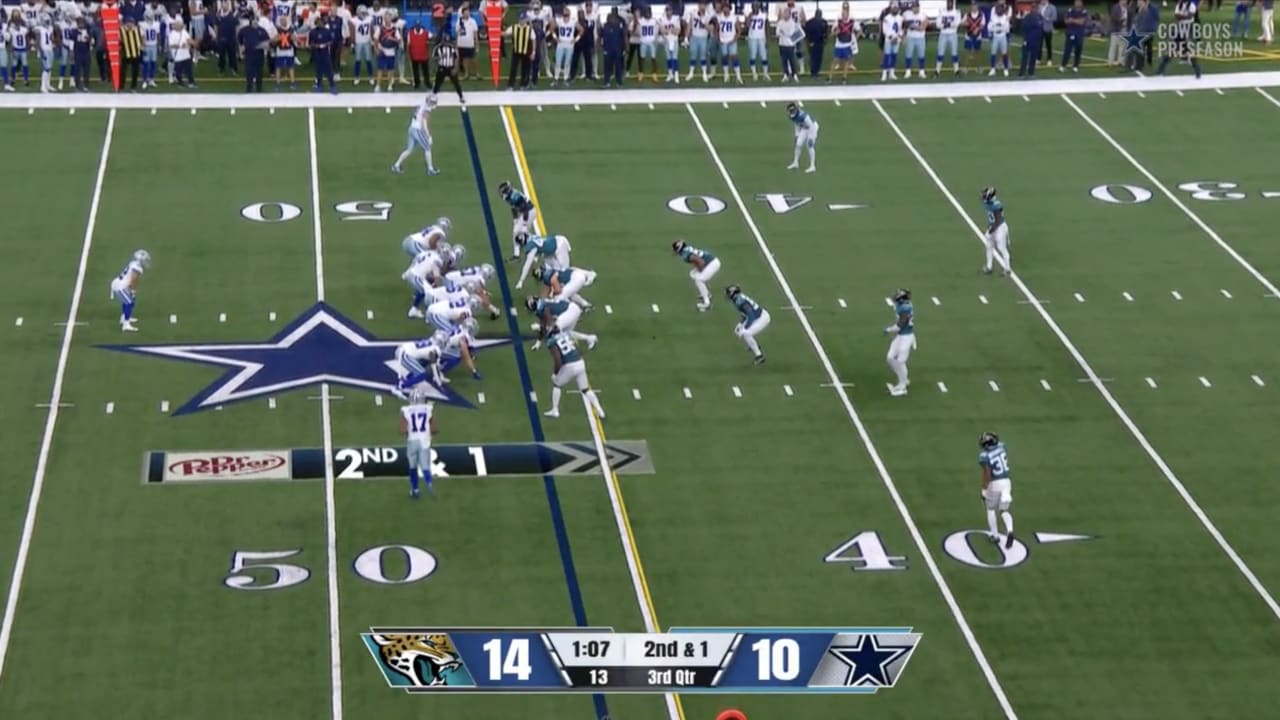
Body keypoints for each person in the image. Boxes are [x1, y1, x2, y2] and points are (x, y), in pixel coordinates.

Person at [883, 288, 913, 396]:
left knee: (900, 362)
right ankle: (904, 379)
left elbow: (899, 325)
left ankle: (903, 386)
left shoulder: (905, 308)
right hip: (901, 336)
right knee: (890, 358)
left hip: (906, 337)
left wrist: (888, 330)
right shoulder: (903, 306)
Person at [238, 10, 268, 92]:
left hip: (259, 55)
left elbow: (266, 43)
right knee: (249, 73)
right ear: (251, 20)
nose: (255, 21)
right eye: (253, 19)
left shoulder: (262, 30)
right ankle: (249, 88)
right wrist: (241, 47)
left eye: (256, 19)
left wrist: (257, 46)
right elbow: (239, 37)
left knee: (259, 73)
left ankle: (259, 89)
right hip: (249, 55)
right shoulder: (245, 30)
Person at [310, 7, 337, 93]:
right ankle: (319, 86)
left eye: (321, 22)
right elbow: (311, 43)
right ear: (316, 23)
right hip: (317, 53)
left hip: (325, 53)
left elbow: (331, 41)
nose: (320, 24)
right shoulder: (313, 32)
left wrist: (325, 45)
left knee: (329, 70)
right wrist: (317, 46)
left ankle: (332, 86)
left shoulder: (327, 31)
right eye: (318, 23)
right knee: (319, 70)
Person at [431, 35, 463, 101]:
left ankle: (461, 96)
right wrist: (441, 57)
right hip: (442, 67)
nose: (446, 43)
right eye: (445, 42)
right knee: (438, 82)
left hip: (451, 67)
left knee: (456, 83)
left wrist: (455, 68)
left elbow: (456, 58)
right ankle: (433, 95)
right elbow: (434, 57)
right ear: (442, 41)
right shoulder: (438, 48)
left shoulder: (452, 48)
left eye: (448, 42)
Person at [508, 14, 533, 89]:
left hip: (525, 51)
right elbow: (506, 33)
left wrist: (533, 51)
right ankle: (510, 85)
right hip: (516, 51)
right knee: (513, 68)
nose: (521, 21)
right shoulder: (513, 27)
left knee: (524, 69)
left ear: (525, 20)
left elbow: (533, 39)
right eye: (520, 19)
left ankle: (523, 85)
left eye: (523, 19)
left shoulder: (529, 29)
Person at [600, 7, 624, 86]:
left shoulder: (619, 26)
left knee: (618, 66)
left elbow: (624, 37)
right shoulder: (604, 26)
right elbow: (600, 37)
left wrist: (625, 48)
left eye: (611, 18)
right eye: (608, 18)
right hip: (608, 50)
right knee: (607, 67)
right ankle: (607, 82)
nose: (610, 19)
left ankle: (619, 82)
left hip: (617, 49)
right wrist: (601, 47)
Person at [1060, 0, 1086, 71]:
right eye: (1076, 2)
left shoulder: (1084, 11)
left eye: (1079, 2)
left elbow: (1081, 22)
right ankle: (1063, 65)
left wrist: (1072, 20)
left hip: (1079, 34)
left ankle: (1076, 65)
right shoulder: (1070, 10)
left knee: (1078, 50)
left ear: (1081, 3)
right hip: (1070, 33)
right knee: (1067, 50)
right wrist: (1074, 21)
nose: (1077, 3)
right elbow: (1066, 21)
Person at [120, 16, 143, 90]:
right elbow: (118, 39)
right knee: (122, 71)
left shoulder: (138, 29)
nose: (130, 24)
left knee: (135, 71)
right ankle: (121, 86)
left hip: (136, 53)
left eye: (131, 23)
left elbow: (142, 37)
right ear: (126, 23)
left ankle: (133, 87)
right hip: (125, 53)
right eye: (129, 23)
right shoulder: (121, 30)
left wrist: (142, 46)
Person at [804, 8, 827, 79]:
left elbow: (825, 32)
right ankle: (813, 73)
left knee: (819, 58)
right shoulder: (809, 22)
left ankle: (816, 72)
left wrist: (825, 40)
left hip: (820, 43)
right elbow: (807, 33)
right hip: (812, 43)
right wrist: (809, 41)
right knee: (813, 58)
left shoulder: (824, 22)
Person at [408, 17, 429, 88]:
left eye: (419, 26)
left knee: (425, 71)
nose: (418, 27)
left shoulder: (426, 32)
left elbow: (431, 38)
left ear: (421, 26)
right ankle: (417, 83)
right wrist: (409, 54)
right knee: (415, 71)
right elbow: (408, 44)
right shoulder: (410, 33)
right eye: (416, 26)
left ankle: (427, 83)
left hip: (424, 55)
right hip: (414, 55)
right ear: (414, 26)